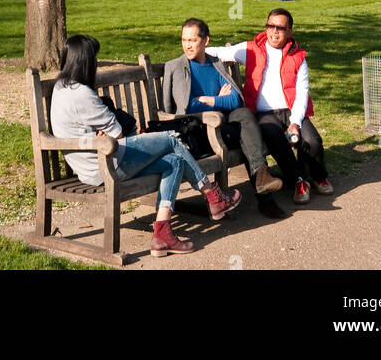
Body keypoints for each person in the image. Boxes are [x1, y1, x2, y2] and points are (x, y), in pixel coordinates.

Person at [50, 34, 240, 257]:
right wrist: (105, 132)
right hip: (104, 165)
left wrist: (100, 131)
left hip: (97, 162)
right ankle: (212, 194)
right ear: (85, 62)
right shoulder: (82, 94)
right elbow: (118, 132)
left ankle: (162, 233)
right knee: (171, 139)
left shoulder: (62, 88)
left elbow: (101, 129)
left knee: (175, 161)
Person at [211, 9, 331, 205]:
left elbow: (302, 93)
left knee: (312, 141)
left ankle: (318, 176)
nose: (274, 32)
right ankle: (298, 181)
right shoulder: (250, 49)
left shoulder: (298, 57)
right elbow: (219, 53)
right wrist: (197, 47)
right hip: (264, 114)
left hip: (291, 111)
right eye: (271, 26)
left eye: (280, 28)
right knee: (275, 138)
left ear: (290, 31)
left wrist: (295, 123)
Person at [162, 18, 283, 200]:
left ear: (206, 41)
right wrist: (220, 99)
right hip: (200, 131)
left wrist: (209, 99)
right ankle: (265, 187)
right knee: (248, 130)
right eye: (184, 40)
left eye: (192, 40)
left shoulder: (214, 64)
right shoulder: (178, 67)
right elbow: (187, 106)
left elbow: (235, 99)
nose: (187, 46)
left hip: (224, 129)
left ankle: (263, 181)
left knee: (244, 115)